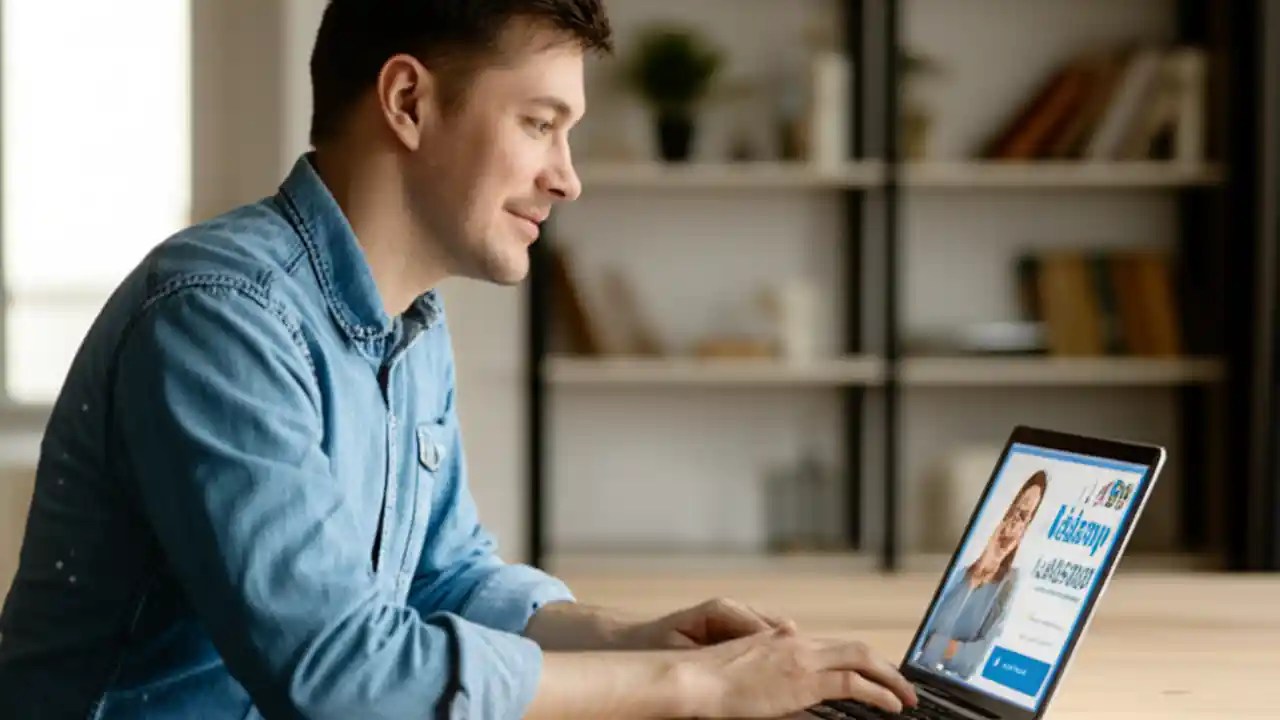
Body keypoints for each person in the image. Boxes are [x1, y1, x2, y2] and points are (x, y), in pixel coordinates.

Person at [0, 2, 918, 718]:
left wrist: (635, 638)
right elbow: (340, 676)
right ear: (408, 102)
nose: (569, 175)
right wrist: (698, 689)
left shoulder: (409, 322)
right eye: (539, 123)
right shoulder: (220, 319)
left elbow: (443, 576)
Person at [913, 471, 1048, 679]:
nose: (1012, 520)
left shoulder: (1011, 583)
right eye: (1013, 509)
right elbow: (918, 635)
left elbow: (980, 657)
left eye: (1022, 516)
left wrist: (934, 644)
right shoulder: (962, 568)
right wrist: (982, 563)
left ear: (1027, 528)